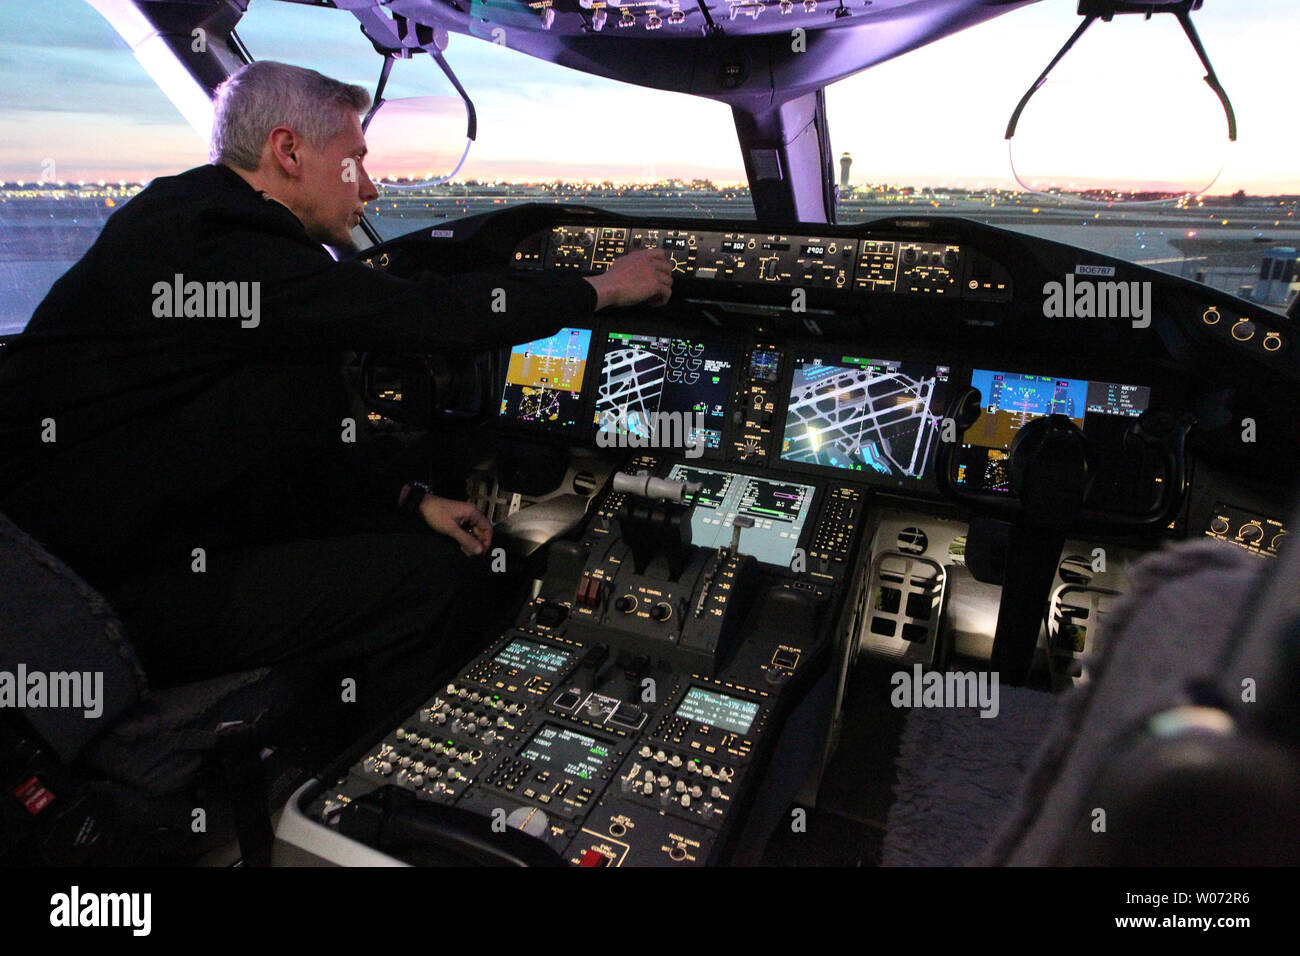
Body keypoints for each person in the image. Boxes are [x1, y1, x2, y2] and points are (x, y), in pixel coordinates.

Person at [0, 61, 671, 705]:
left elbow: (261, 444)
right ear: (288, 151)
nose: (371, 189)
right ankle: (372, 786)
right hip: (93, 604)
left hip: (87, 556)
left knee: (413, 539)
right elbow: (418, 314)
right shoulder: (223, 245)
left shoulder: (185, 221)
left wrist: (410, 498)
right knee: (430, 581)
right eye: (356, 160)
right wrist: (603, 287)